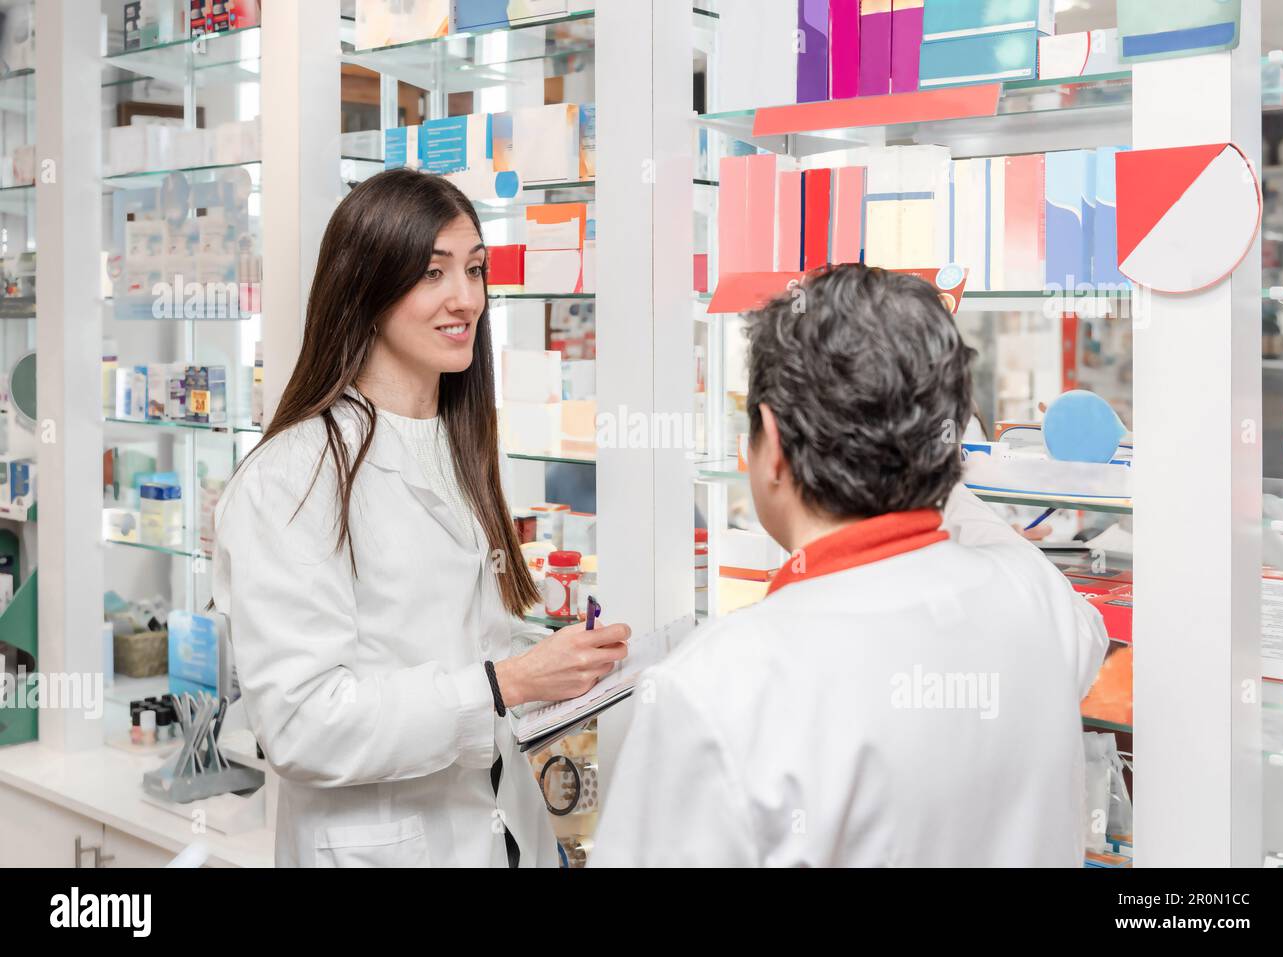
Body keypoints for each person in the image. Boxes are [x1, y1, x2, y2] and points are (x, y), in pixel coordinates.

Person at [592, 265, 1108, 867]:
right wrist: (922, 453)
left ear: (772, 444)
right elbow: (1057, 602)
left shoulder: (715, 689)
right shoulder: (1036, 601)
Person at [212, 169, 629, 867]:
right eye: (432, 273)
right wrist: (507, 683)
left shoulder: (457, 445)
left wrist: (568, 664)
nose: (465, 298)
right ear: (366, 290)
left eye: (474, 270)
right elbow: (302, 721)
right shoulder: (293, 475)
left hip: (494, 832)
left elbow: (459, 637)